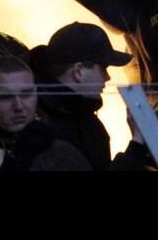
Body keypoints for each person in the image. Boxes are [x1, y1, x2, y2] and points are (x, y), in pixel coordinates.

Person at [27, 22, 131, 171]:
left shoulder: (86, 119)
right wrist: (137, 148)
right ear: (79, 71)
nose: (108, 77)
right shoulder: (39, 126)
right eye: (103, 68)